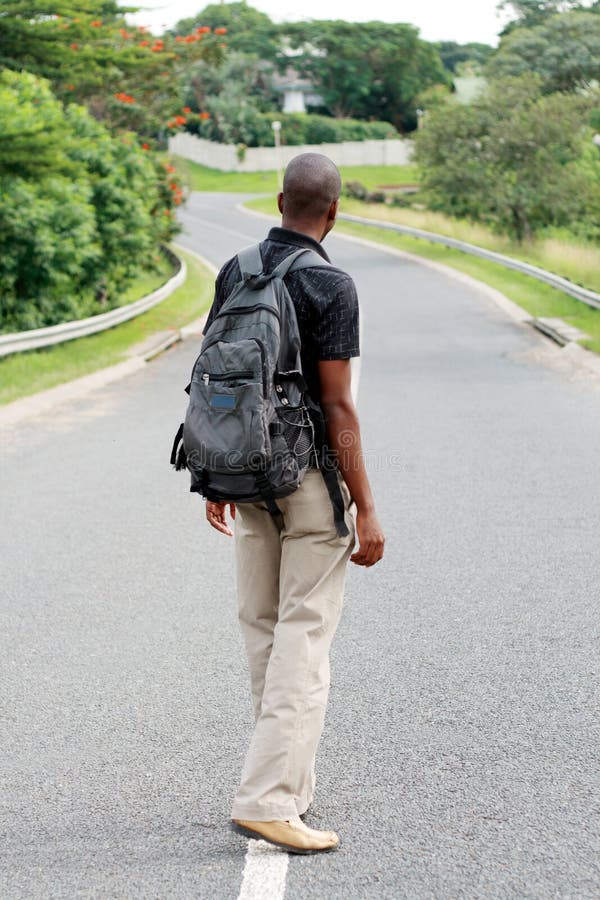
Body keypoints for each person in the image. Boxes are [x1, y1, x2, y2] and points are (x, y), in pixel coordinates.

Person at [204, 153, 385, 854]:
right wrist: (364, 506)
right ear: (333, 212)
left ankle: (280, 785)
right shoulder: (330, 284)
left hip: (246, 475)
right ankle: (270, 798)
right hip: (307, 483)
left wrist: (213, 476)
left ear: (280, 200)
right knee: (304, 640)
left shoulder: (235, 269)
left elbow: (215, 380)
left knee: (263, 629)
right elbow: (337, 404)